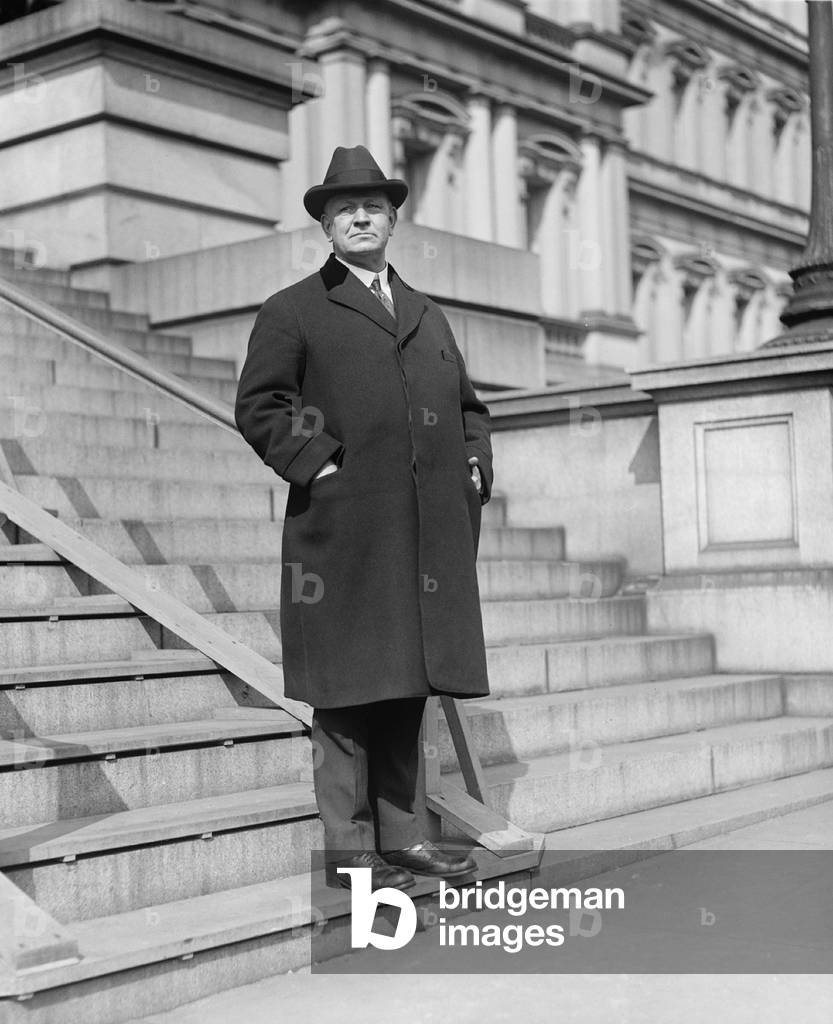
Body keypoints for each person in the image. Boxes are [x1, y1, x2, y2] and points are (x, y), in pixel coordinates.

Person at [234, 145, 493, 891]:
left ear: (391, 221)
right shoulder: (293, 309)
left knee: (406, 686)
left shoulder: (426, 312)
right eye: (343, 208)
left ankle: (404, 839)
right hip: (342, 536)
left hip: (425, 542)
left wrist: (475, 463)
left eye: (372, 207)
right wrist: (320, 464)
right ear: (324, 225)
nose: (358, 217)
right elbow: (259, 405)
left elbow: (469, 409)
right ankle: (350, 856)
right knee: (347, 694)